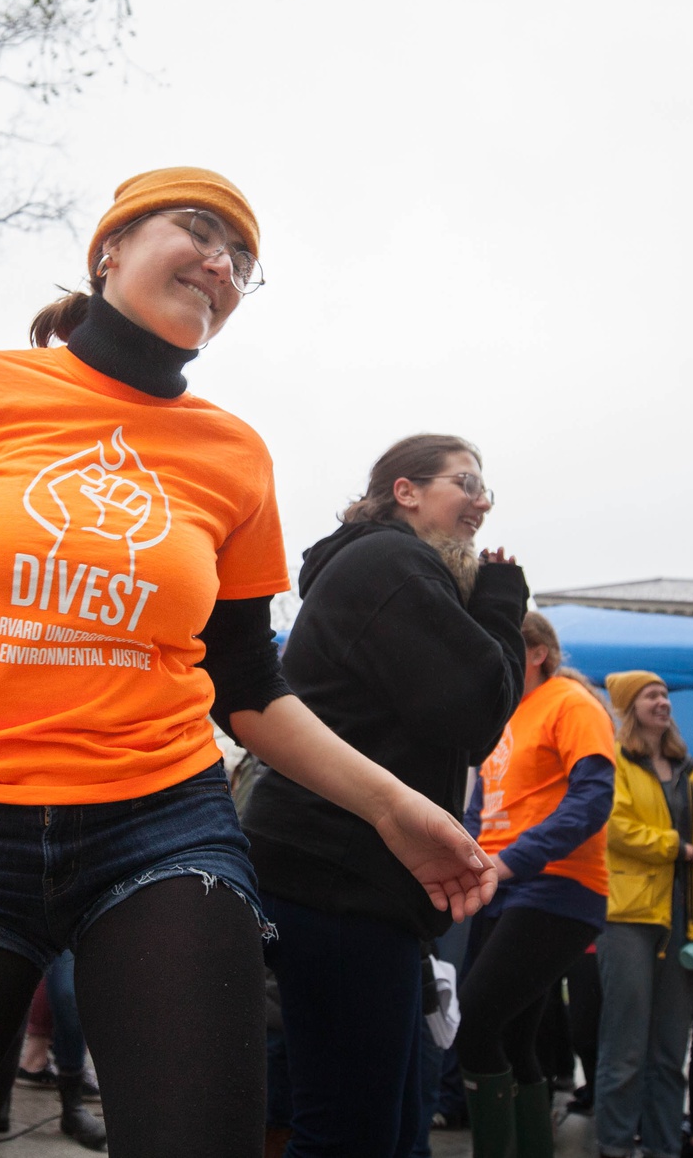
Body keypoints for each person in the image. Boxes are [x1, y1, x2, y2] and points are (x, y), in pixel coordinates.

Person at [0, 168, 502, 1158]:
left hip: (160, 832)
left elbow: (248, 690)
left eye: (240, 260)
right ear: (108, 248)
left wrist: (392, 806)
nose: (219, 264)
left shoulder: (234, 454)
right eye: (198, 231)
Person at [244, 433, 528, 1158]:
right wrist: (501, 608)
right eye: (465, 482)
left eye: (485, 487)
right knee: (352, 1132)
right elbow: (478, 711)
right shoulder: (390, 562)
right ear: (405, 490)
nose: (482, 501)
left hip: (366, 885)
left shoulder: (380, 567)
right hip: (342, 881)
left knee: (396, 1126)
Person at [458, 613, 616, 1158]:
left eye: (502, 644)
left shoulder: (571, 703)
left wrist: (514, 860)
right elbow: (482, 810)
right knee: (511, 1038)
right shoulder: (508, 716)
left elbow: (594, 799)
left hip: (557, 886)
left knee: (476, 1024)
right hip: (503, 886)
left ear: (537, 653)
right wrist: (473, 861)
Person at [593, 672, 693, 1158]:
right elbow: (617, 829)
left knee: (671, 1053)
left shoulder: (688, 771)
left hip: (685, 920)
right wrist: (684, 850)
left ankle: (664, 1148)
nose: (663, 701)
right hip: (628, 916)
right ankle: (614, 1146)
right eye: (652, 695)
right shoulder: (614, 760)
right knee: (625, 1049)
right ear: (630, 707)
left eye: (666, 694)